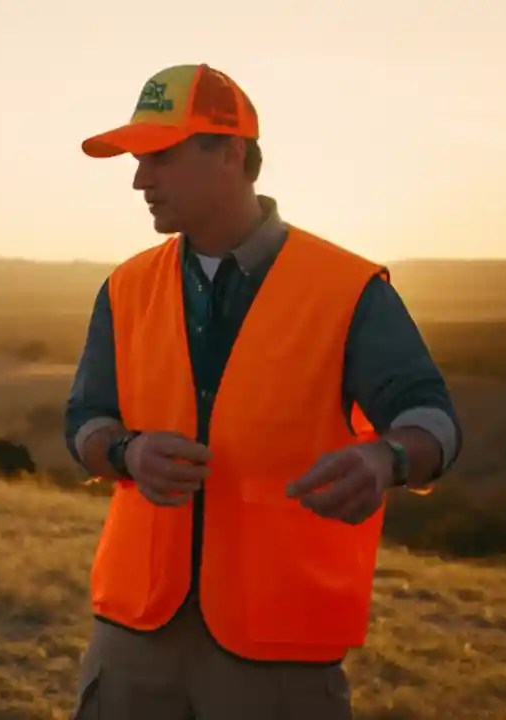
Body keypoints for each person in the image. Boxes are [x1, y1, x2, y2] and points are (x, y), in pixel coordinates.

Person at [64, 64, 462, 719]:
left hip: (278, 651)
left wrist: (384, 459)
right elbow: (85, 420)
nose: (139, 180)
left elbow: (434, 420)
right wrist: (127, 452)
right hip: (133, 640)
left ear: (232, 153)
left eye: (159, 156)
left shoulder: (347, 288)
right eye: (136, 160)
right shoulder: (125, 287)